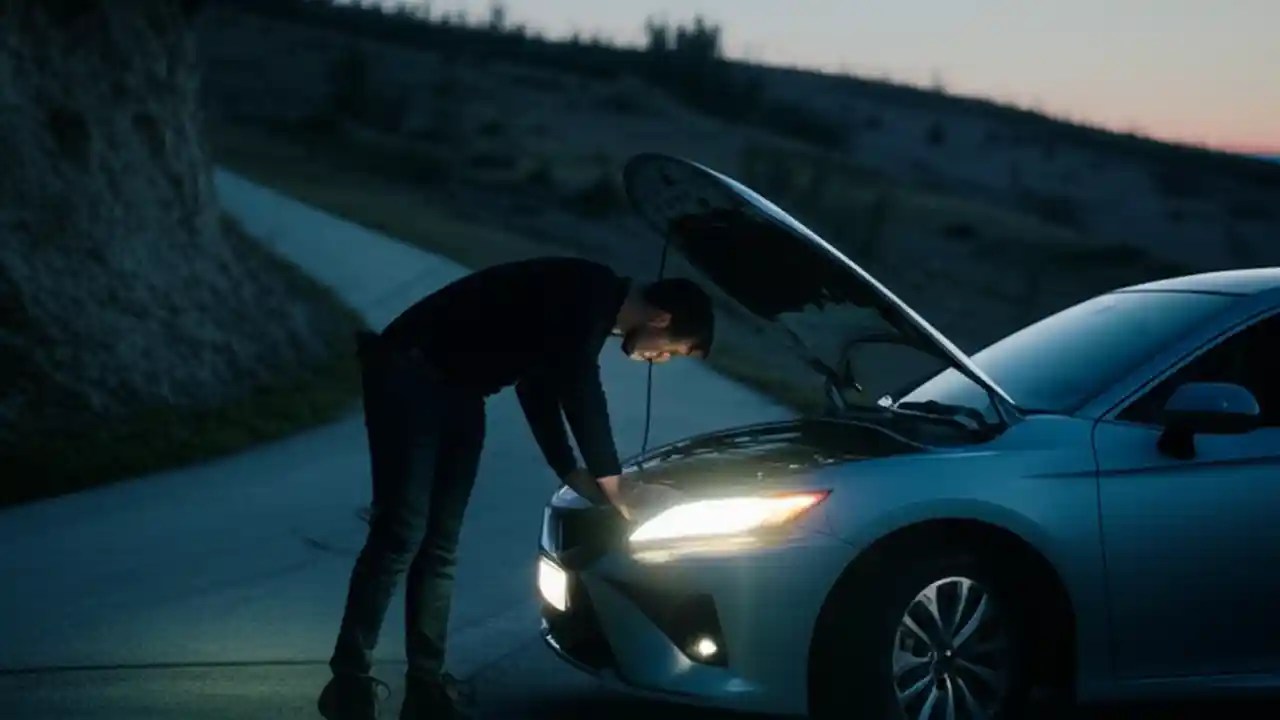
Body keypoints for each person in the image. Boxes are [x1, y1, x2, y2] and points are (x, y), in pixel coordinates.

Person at [317, 256, 714, 720]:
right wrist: (614, 484)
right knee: (401, 532)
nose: (659, 358)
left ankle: (426, 688)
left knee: (441, 546)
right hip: (408, 372)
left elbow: (537, 389)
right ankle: (348, 682)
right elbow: (579, 386)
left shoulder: (587, 315)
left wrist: (572, 473)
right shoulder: (588, 290)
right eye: (672, 350)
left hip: (463, 394)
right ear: (661, 319)